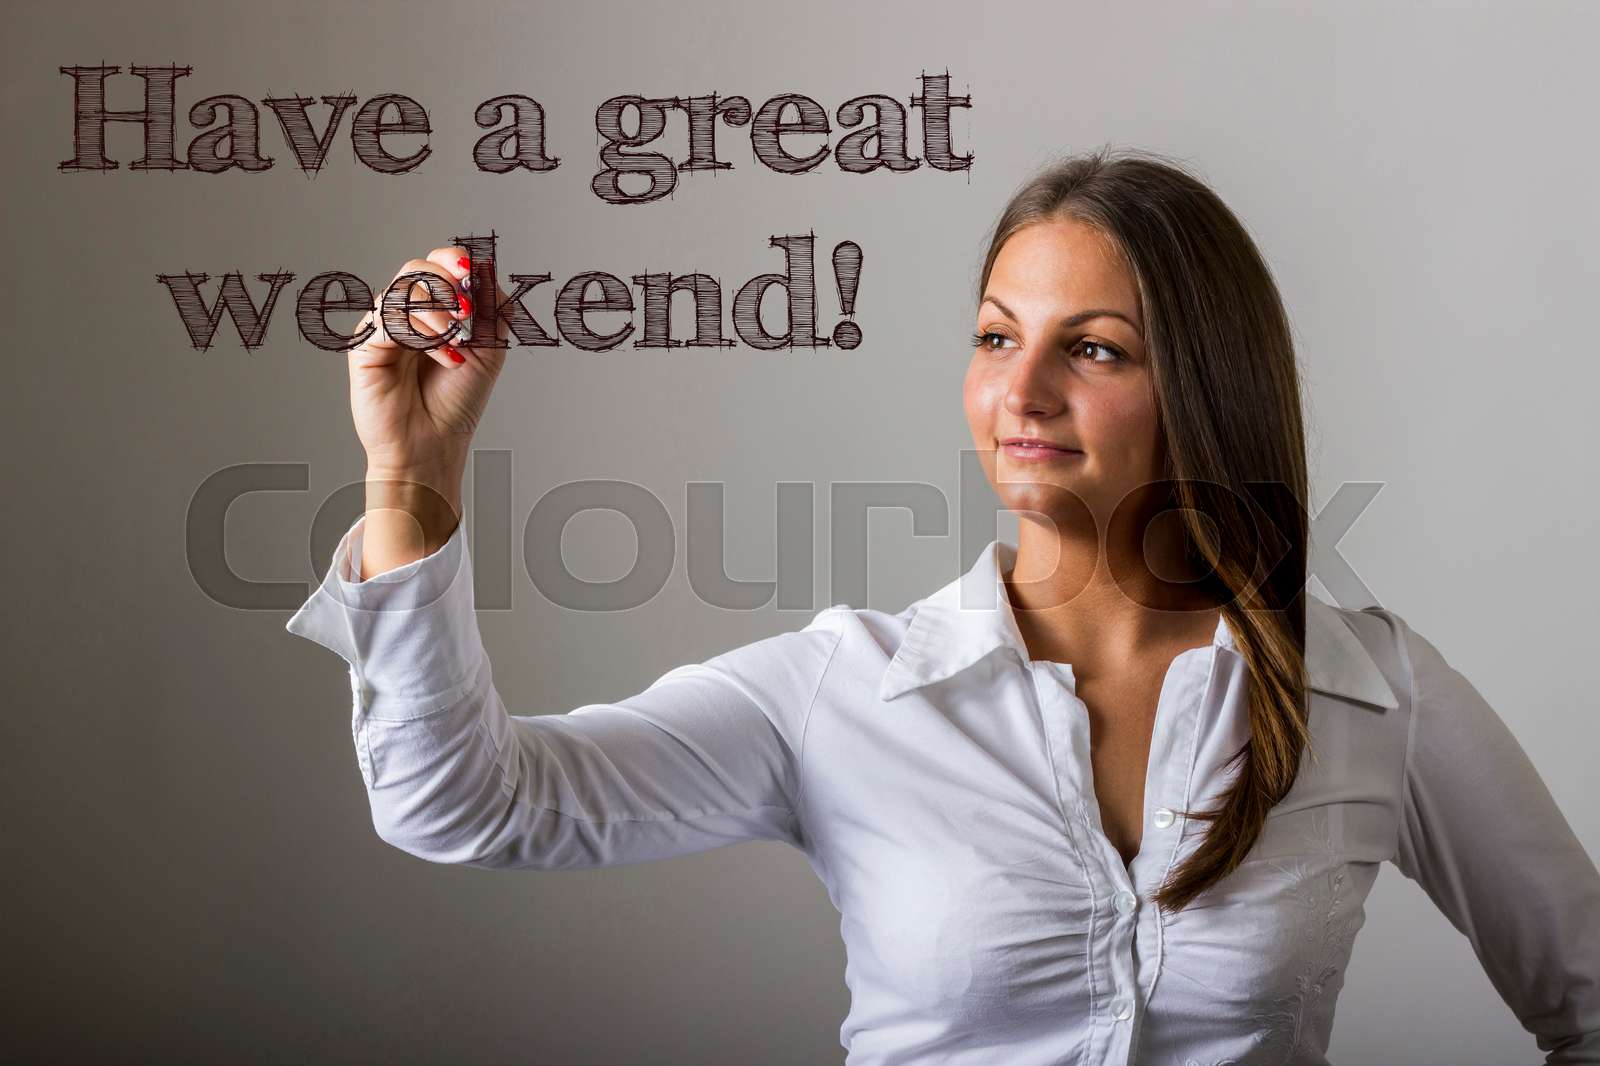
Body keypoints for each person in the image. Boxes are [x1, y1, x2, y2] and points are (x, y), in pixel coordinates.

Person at [285, 147, 1600, 1064]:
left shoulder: (1369, 690)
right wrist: (412, 476)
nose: (1020, 392)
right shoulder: (841, 691)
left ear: (1208, 386)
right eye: (994, 336)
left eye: (1093, 348)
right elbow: (463, 804)